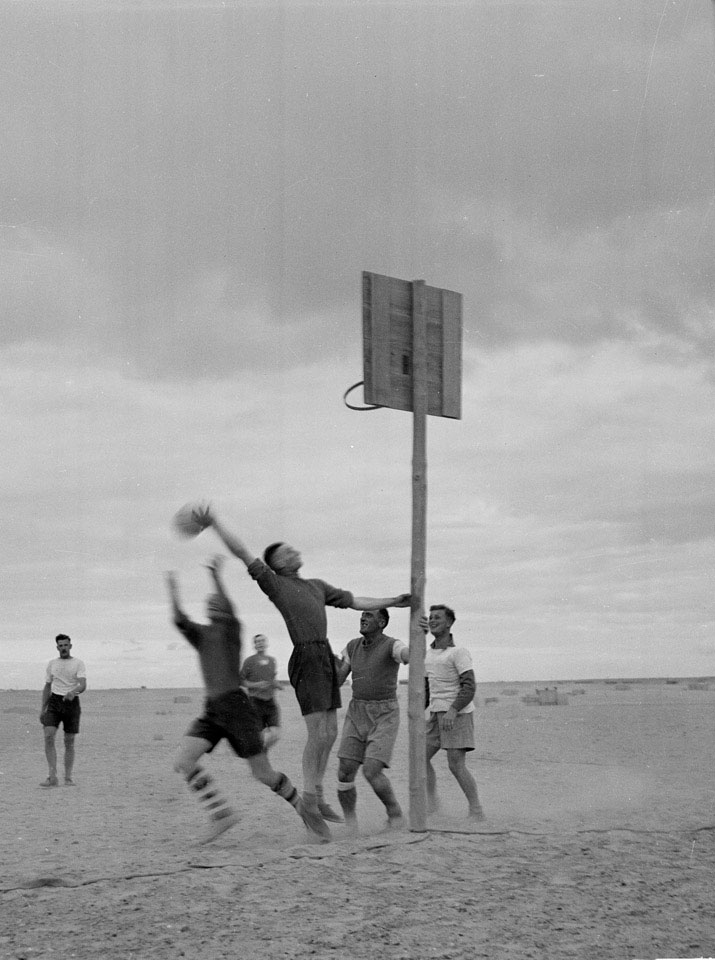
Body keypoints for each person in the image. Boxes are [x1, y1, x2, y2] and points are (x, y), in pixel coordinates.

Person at [191, 504, 410, 838]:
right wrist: (216, 524)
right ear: (278, 563)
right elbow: (242, 552)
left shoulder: (318, 586)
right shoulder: (274, 583)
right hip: (306, 657)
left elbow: (355, 601)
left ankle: (315, 794)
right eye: (287, 551)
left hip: (323, 656)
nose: (294, 552)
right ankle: (309, 797)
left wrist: (393, 600)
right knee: (317, 732)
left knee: (330, 733)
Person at [165, 555, 330, 844]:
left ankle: (305, 812)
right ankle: (221, 815)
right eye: (209, 603)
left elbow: (227, 607)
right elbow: (179, 619)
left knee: (263, 774)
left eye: (217, 602)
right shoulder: (201, 635)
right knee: (184, 760)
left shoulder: (231, 630)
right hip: (213, 709)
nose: (212, 604)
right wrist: (173, 589)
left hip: (237, 708)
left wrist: (216, 577)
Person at [335, 608, 409, 833]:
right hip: (357, 710)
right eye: (362, 615)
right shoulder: (352, 646)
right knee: (345, 771)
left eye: (369, 615)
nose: (363, 617)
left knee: (371, 770)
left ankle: (395, 815)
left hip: (384, 713)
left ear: (382, 621)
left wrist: (415, 646)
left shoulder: (392, 645)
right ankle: (350, 824)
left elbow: (407, 655)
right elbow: (338, 679)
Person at [419, 604, 484, 820]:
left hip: (457, 714)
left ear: (449, 623)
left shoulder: (458, 652)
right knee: (420, 758)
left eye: (438, 617)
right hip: (437, 716)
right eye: (431, 617)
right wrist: (419, 711)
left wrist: (453, 710)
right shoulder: (428, 655)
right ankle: (433, 803)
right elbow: (427, 689)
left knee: (456, 765)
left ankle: (476, 809)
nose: (433, 620)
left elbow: (469, 686)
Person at [40, 634, 87, 787]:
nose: (63, 648)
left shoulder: (78, 663)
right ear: (57, 647)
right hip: (54, 702)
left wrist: (74, 692)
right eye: (60, 646)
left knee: (69, 741)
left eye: (66, 645)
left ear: (70, 646)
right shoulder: (52, 663)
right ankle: (52, 775)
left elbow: (82, 684)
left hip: (71, 703)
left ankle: (68, 777)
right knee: (48, 735)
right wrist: (43, 708)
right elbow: (47, 686)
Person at [240, 633, 281, 749]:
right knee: (259, 736)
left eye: (262, 641)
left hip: (270, 702)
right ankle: (260, 755)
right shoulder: (249, 661)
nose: (260, 643)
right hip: (255, 703)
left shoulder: (272, 660)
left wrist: (277, 685)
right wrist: (256, 685)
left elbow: (272, 678)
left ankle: (263, 751)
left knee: (275, 734)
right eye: (257, 642)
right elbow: (241, 680)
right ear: (255, 645)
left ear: (266, 643)